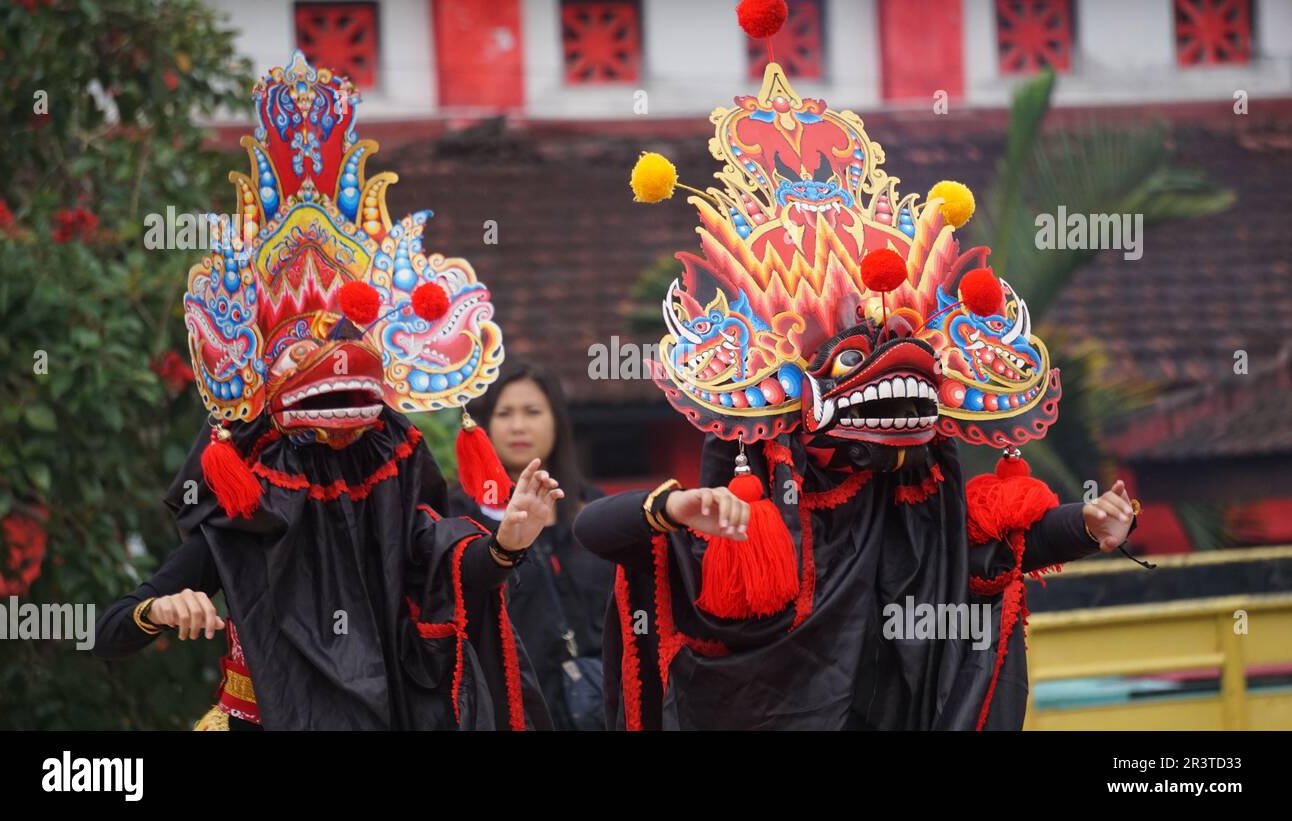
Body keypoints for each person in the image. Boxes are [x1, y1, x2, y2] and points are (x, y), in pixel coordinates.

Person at [575, 11, 1138, 731]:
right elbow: (597, 530)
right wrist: (671, 507)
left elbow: (989, 555)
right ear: (792, 389)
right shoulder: (746, 509)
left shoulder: (917, 495)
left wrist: (1089, 524)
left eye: (902, 342)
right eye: (850, 357)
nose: (897, 363)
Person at [92, 52, 561, 731]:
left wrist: (508, 543)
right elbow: (109, 631)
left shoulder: (395, 482)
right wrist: (154, 609)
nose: (330, 363)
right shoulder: (242, 512)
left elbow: (451, 580)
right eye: (304, 354)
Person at [450, 361, 615, 730]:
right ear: (486, 423)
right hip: (506, 709)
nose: (519, 426)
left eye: (533, 412)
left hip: (593, 706)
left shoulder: (593, 510)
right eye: (504, 413)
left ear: (556, 421)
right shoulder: (460, 515)